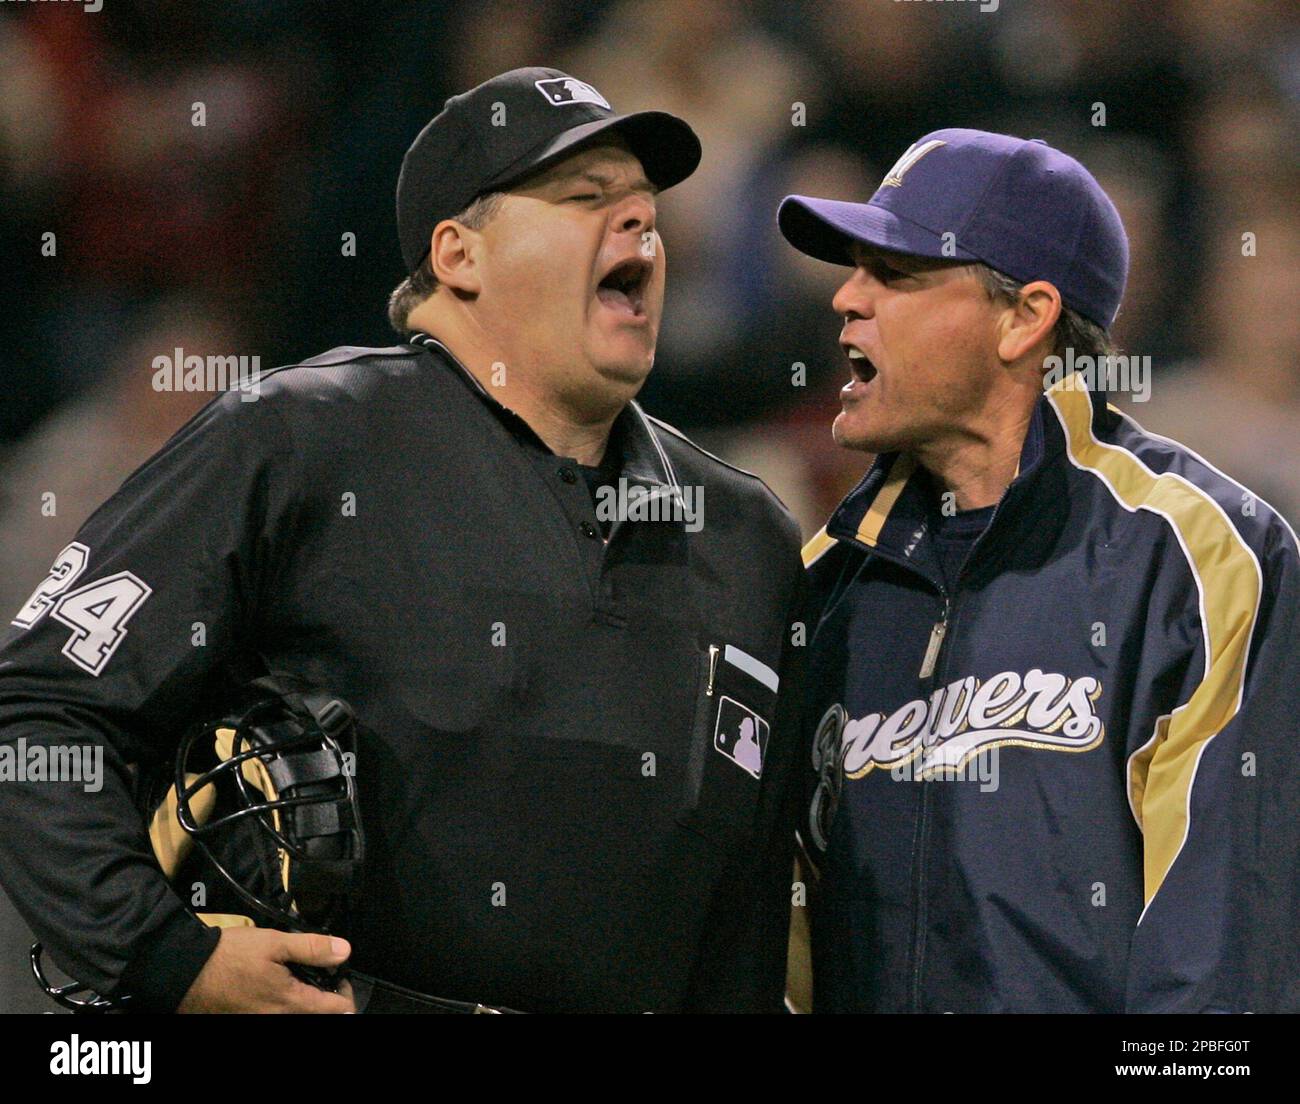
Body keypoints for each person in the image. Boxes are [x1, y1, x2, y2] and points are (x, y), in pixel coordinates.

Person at [0, 68, 806, 1014]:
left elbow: (751, 913)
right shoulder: (299, 438)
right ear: (459, 255)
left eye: (646, 209)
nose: (641, 229)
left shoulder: (743, 534)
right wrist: (164, 956)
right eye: (588, 199)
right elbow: (39, 714)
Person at [778, 128, 1300, 1013]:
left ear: (1026, 317)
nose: (845, 298)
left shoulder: (1197, 557)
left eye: (893, 273)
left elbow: (1222, 973)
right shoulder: (827, 581)